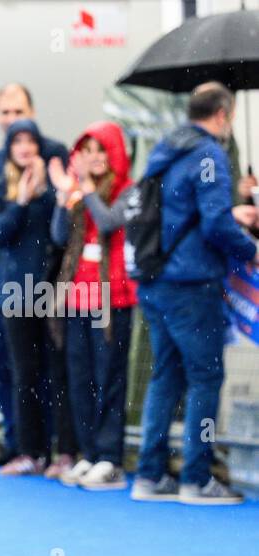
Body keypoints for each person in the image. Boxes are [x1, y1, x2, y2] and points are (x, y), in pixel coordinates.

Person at [128, 83, 252, 505]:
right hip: (191, 284)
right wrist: (251, 248)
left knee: (166, 376)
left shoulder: (166, 151)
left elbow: (187, 213)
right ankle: (197, 478)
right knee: (206, 378)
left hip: (155, 280)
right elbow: (215, 224)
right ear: (223, 114)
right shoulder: (209, 155)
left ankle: (150, 474)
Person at [0, 84, 70, 468]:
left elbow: (61, 229)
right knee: (4, 364)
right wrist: (16, 200)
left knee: (51, 369)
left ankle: (54, 448)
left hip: (44, 286)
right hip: (7, 284)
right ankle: (20, 444)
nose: (12, 122)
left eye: (19, 113)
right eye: (6, 114)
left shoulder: (55, 155)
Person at [47, 122, 138, 491]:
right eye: (88, 150)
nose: (95, 158)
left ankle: (109, 457)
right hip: (76, 300)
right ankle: (87, 452)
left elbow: (109, 221)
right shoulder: (78, 192)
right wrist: (62, 198)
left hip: (112, 300)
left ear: (115, 153)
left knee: (109, 378)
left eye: (102, 150)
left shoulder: (129, 191)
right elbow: (58, 236)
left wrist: (84, 189)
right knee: (80, 380)